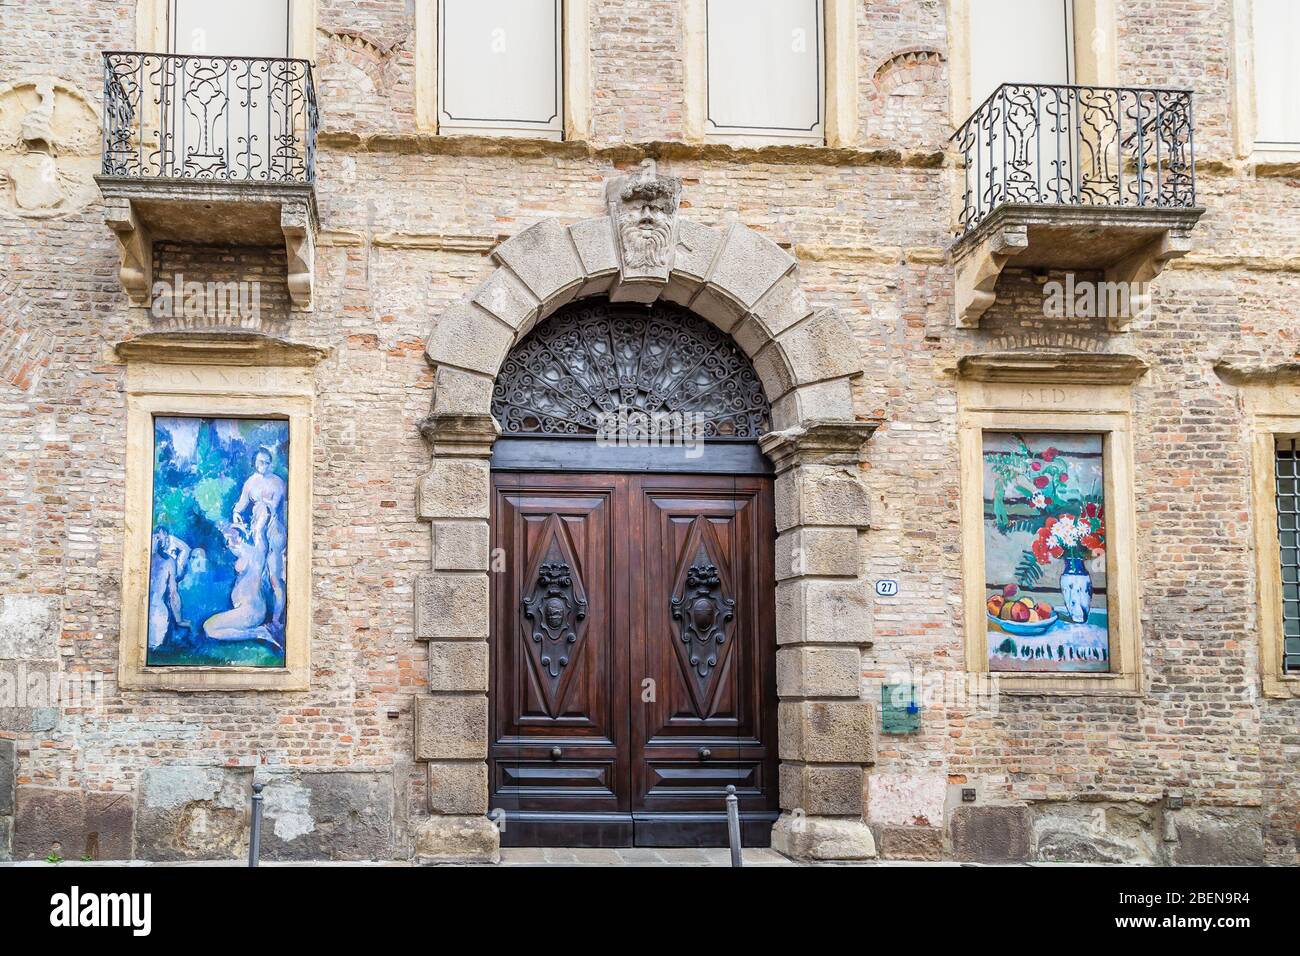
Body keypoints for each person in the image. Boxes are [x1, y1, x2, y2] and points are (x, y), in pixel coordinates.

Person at [231, 447, 287, 634]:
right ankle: (255, 615)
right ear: (254, 463)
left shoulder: (278, 482)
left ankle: (277, 621)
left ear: (270, 463)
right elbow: (240, 505)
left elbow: (278, 508)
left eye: (266, 462)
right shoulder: (250, 483)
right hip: (257, 531)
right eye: (260, 462)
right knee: (255, 576)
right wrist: (236, 514)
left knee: (275, 578)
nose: (263, 465)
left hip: (274, 532)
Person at [202, 522, 281, 652]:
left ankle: (258, 633)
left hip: (251, 611)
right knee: (209, 626)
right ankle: (258, 632)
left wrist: (234, 532)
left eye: (230, 539)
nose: (228, 544)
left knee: (209, 628)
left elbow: (256, 539)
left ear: (239, 536)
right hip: (247, 609)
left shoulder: (254, 553)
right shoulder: (245, 552)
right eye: (227, 540)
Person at [148, 525, 192, 649]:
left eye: (161, 537)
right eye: (156, 537)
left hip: (157, 617)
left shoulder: (169, 562)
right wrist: (180, 620)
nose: (160, 540)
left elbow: (173, 595)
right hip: (155, 617)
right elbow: (173, 595)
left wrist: (179, 620)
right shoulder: (167, 562)